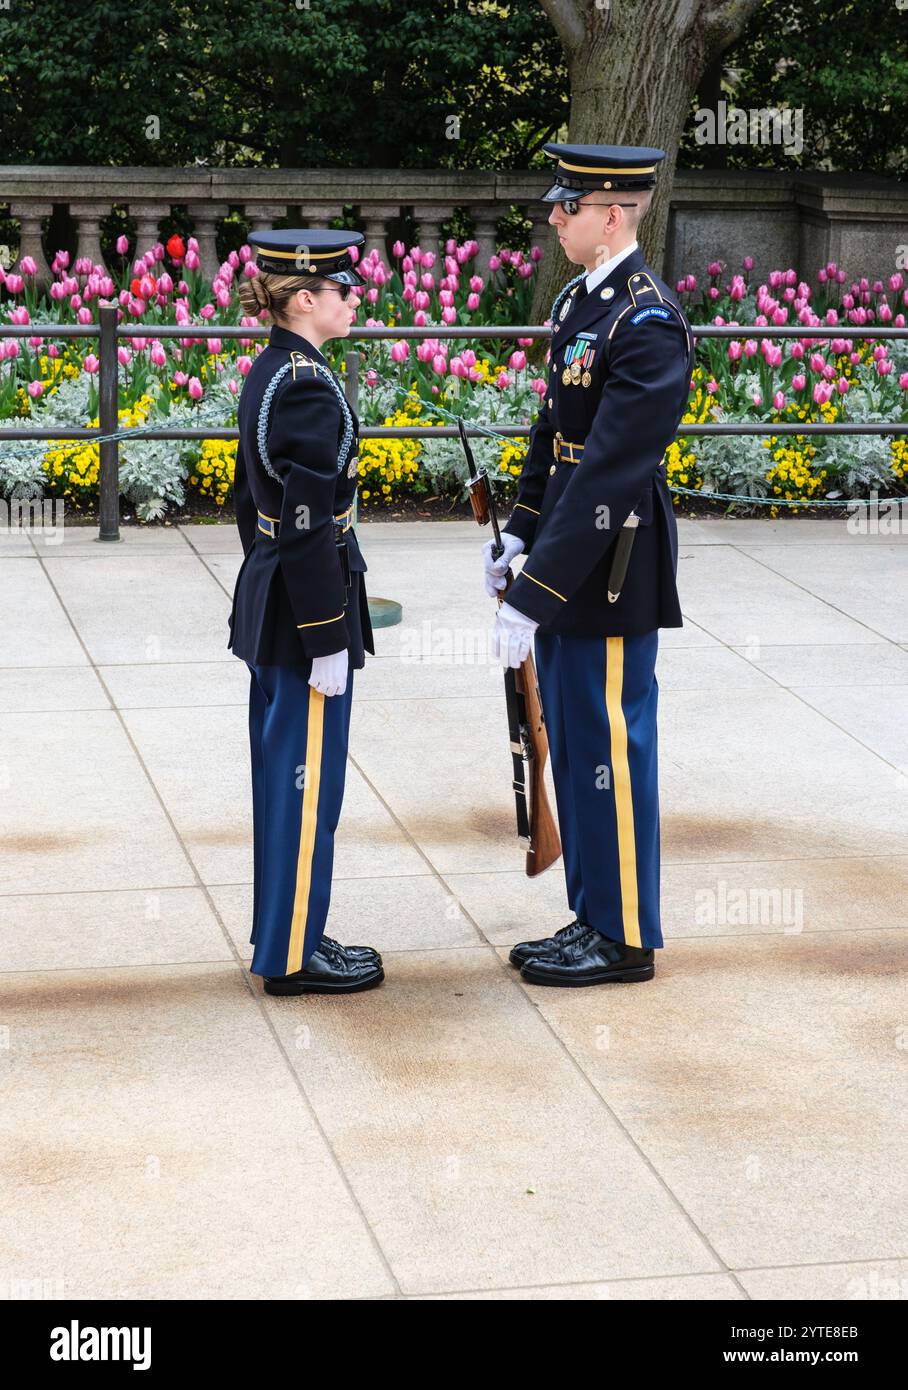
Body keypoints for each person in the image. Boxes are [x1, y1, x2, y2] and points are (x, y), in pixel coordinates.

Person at [483, 144, 695, 987]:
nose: (553, 217)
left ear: (613, 214)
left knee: (611, 743)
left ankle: (627, 934)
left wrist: (535, 593)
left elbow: (609, 469)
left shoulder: (647, 323)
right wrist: (519, 535)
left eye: (566, 206)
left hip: (612, 566)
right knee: (572, 747)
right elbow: (555, 435)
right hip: (571, 556)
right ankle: (591, 915)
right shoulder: (584, 302)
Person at [228, 228, 383, 996]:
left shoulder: (274, 369)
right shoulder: (307, 383)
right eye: (345, 290)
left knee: (283, 778)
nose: (356, 300)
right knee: (305, 783)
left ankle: (283, 931)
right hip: (303, 615)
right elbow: (306, 519)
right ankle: (293, 953)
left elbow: (251, 501)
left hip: (276, 600)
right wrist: (326, 634)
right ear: (306, 300)